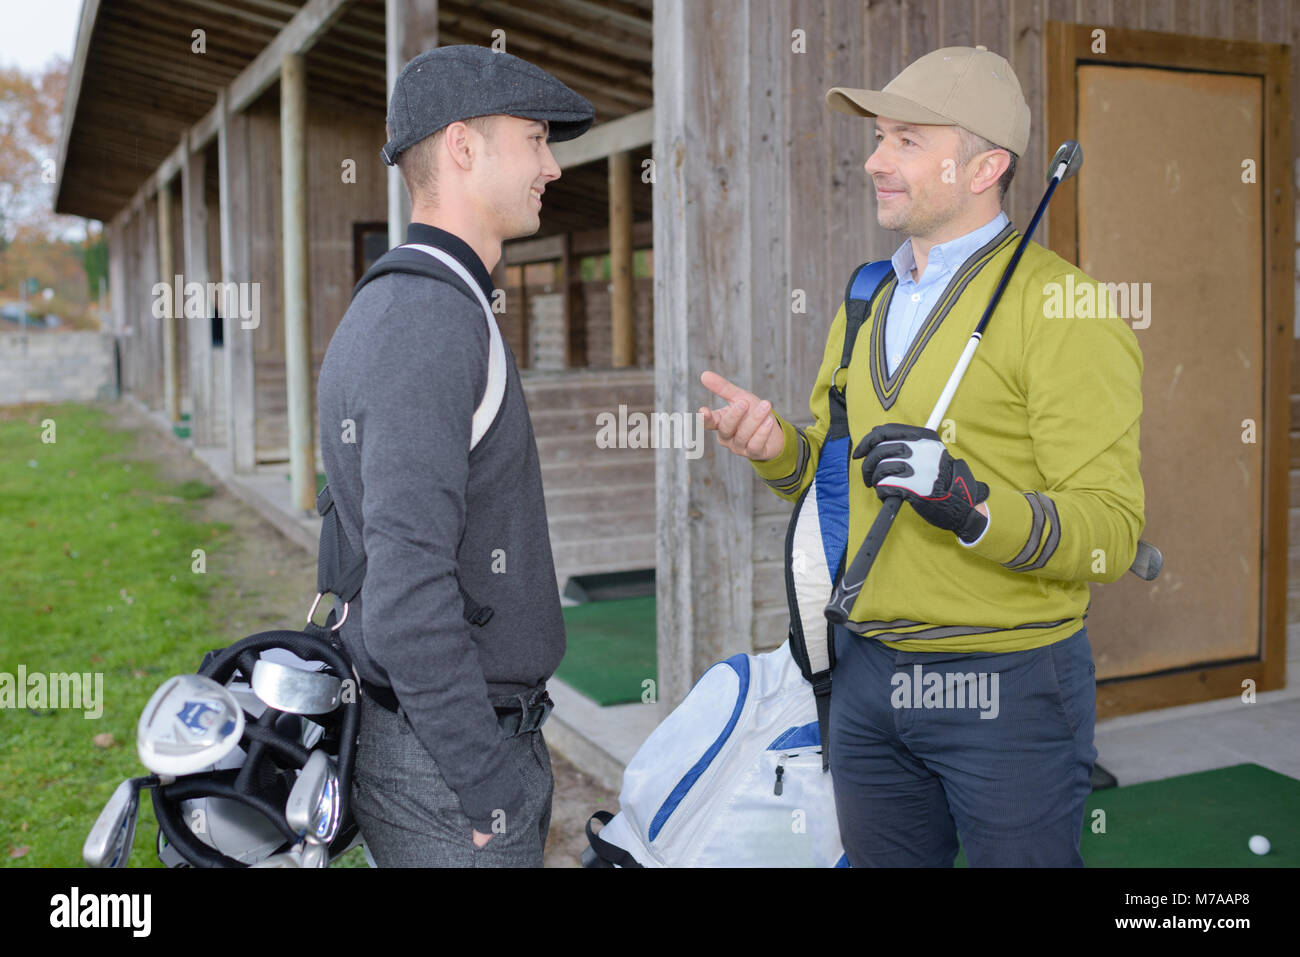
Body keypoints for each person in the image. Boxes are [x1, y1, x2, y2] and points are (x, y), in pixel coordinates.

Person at [700, 46, 1144, 866]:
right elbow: (842, 483)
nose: (874, 161)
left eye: (905, 140)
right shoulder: (867, 293)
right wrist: (775, 451)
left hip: (1007, 683)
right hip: (867, 676)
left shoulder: (1067, 309)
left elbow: (1110, 531)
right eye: (879, 139)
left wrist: (973, 509)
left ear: (986, 167)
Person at [316, 45, 593, 867]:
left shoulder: (414, 300)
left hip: (435, 751)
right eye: (536, 138)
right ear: (465, 147)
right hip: (451, 774)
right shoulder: (429, 322)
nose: (550, 165)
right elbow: (406, 599)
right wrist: (489, 787)